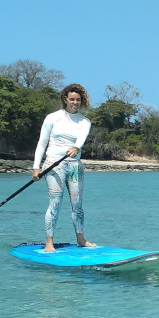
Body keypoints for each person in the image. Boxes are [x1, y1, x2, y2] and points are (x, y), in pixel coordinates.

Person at [32, 83, 96, 253]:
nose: (75, 103)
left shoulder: (84, 121)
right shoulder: (53, 118)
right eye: (72, 99)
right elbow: (42, 143)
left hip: (75, 166)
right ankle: (49, 242)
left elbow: (81, 139)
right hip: (54, 164)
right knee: (55, 203)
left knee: (77, 204)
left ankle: (81, 240)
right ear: (65, 99)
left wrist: (76, 147)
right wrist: (36, 167)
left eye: (78, 100)